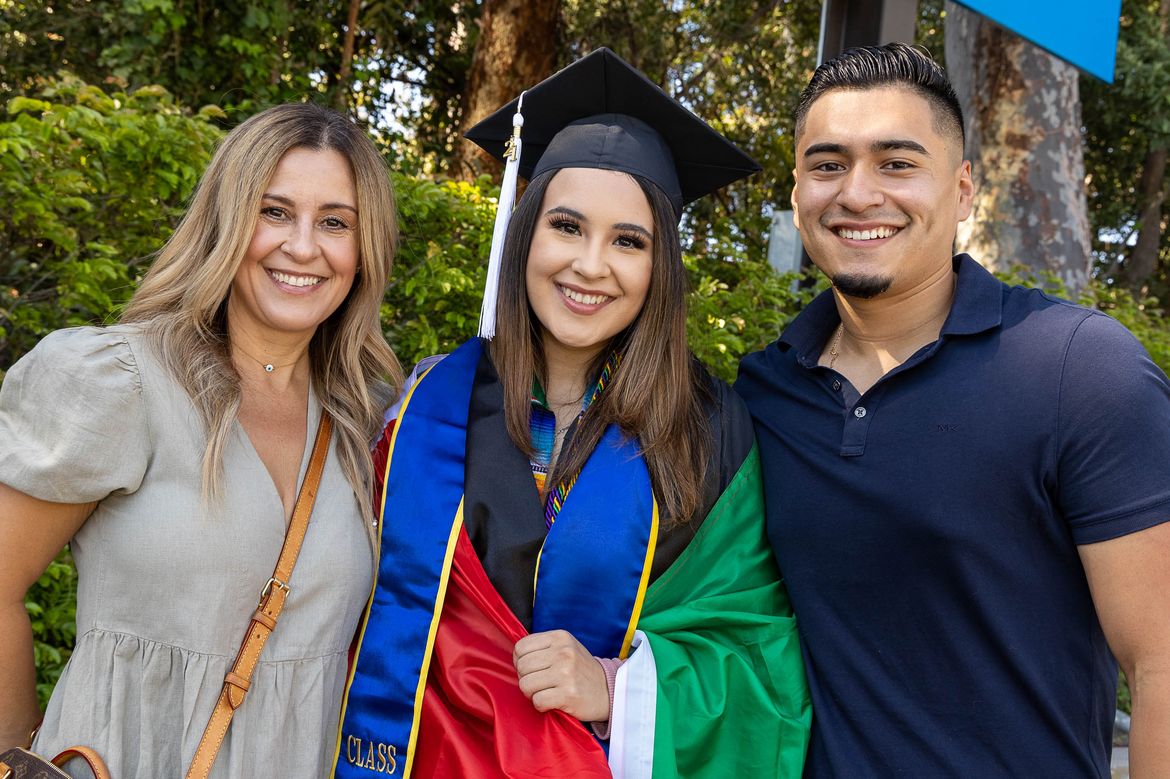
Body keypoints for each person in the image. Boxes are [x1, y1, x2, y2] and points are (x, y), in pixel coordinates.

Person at [333, 48, 810, 779]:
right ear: (525, 234)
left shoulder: (710, 432)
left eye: (628, 241)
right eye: (566, 226)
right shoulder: (421, 407)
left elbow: (758, 663)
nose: (590, 265)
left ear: (659, 269)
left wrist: (622, 688)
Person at [735, 42, 1170, 776]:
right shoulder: (764, 393)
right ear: (798, 188)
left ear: (964, 190)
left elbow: (1158, 659)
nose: (858, 193)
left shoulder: (1079, 369)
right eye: (828, 163)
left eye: (897, 163)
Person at [0, 102, 402, 777]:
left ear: (364, 252)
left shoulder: (369, 423)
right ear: (227, 219)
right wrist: (14, 755)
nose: (303, 246)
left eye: (335, 222)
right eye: (274, 212)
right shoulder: (122, 382)